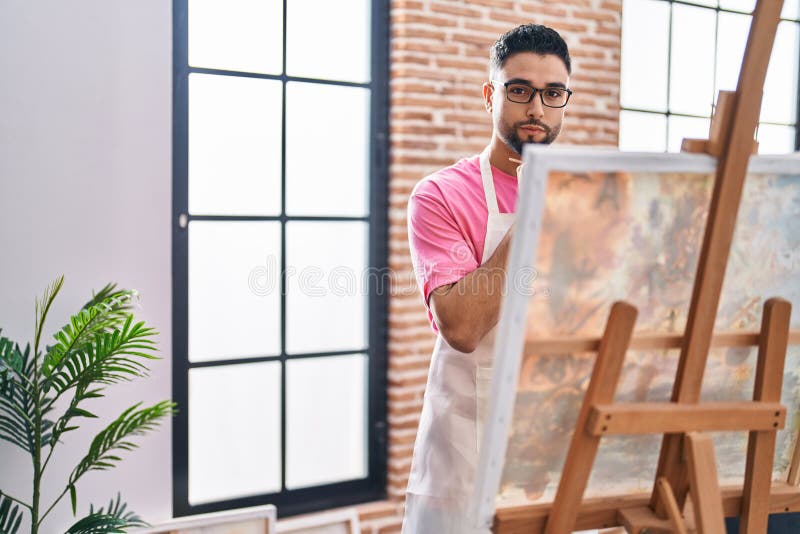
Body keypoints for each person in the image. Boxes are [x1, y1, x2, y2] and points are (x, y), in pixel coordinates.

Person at [402, 24, 573, 533]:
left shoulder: (589, 194)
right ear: (489, 95)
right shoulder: (439, 196)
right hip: (466, 455)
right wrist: (538, 205)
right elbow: (463, 327)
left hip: (557, 447)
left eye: (553, 93)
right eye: (518, 90)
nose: (536, 109)